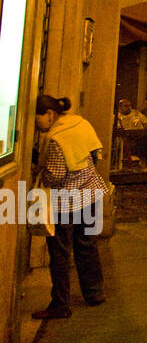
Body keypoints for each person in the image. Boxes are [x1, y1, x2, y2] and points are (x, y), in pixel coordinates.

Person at [32, 95, 107, 318]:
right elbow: (97, 155)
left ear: (49, 114)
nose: (36, 126)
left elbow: (54, 176)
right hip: (92, 194)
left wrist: (40, 171)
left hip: (66, 201)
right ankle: (94, 294)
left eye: (37, 120)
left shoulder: (57, 138)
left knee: (60, 253)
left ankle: (60, 304)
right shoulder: (81, 123)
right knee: (87, 246)